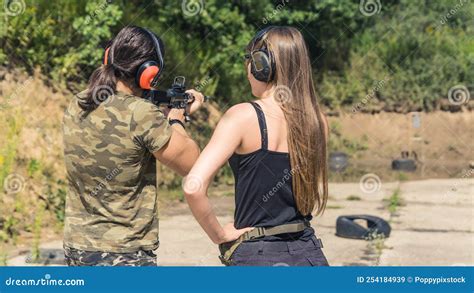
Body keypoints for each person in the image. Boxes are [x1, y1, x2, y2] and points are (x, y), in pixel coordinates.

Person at [183, 26, 329, 266]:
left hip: (258, 256)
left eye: (248, 60)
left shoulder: (243, 116)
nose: (246, 68)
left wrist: (219, 235)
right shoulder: (318, 121)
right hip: (309, 253)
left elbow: (193, 187)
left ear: (261, 65)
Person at [62, 26, 204, 266]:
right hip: (124, 253)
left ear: (109, 57)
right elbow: (192, 163)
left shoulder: (78, 103)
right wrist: (176, 118)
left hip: (77, 247)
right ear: (149, 73)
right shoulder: (142, 114)